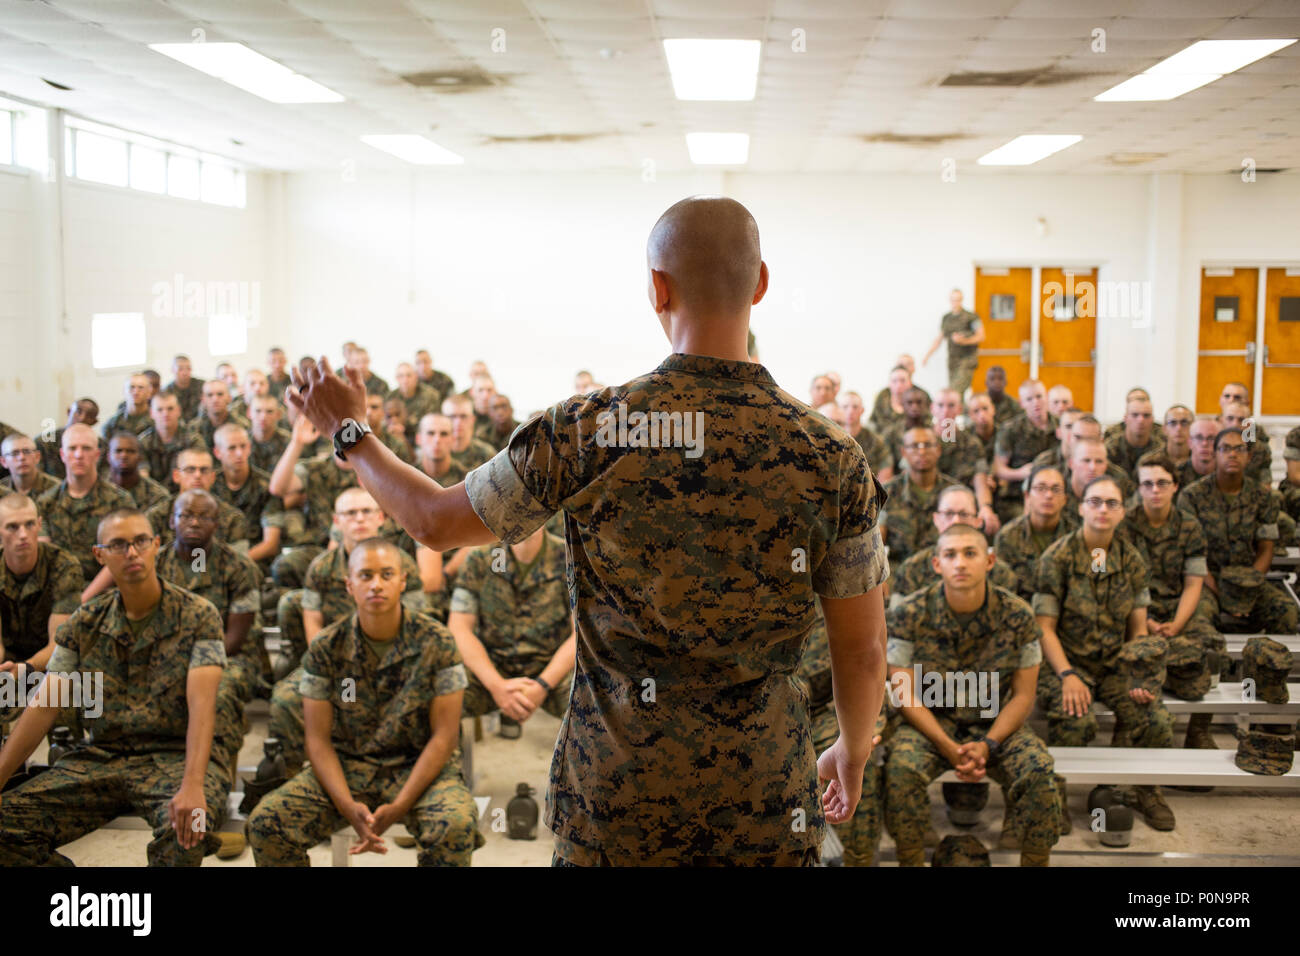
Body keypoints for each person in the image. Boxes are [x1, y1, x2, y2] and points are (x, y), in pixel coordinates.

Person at [288, 195, 889, 867]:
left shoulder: (588, 430)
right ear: (761, 283)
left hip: (616, 793)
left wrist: (351, 433)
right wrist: (853, 747)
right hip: (764, 792)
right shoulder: (830, 454)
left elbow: (433, 521)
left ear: (657, 289)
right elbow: (861, 651)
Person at [0, 508, 228, 866]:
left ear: (156, 545)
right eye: (118, 545)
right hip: (104, 757)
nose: (132, 553)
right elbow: (45, 704)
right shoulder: (84, 622)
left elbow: (203, 706)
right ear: (99, 555)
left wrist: (193, 786)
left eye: (140, 542)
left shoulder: (198, 615)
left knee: (189, 827)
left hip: (177, 757)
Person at [248, 538, 479, 866]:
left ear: (403, 581)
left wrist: (400, 805)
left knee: (455, 825)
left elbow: (444, 737)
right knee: (266, 824)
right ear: (349, 585)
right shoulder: (326, 647)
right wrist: (345, 804)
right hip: (347, 766)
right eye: (366, 576)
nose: (377, 585)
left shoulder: (437, 641)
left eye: (387, 575)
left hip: (417, 768)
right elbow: (316, 739)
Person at [885, 523, 1060, 866]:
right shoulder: (909, 613)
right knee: (901, 768)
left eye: (970, 553)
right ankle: (911, 859)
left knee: (1039, 768)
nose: (960, 563)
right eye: (950, 555)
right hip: (932, 724)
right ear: (937, 564)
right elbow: (904, 693)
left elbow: (1023, 696)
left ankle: (1036, 860)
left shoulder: (1018, 616)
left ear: (990, 560)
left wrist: (989, 743)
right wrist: (946, 745)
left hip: (994, 726)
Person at [1033, 476, 1175, 831]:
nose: (1102, 509)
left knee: (1154, 718)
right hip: (1067, 661)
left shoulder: (1132, 560)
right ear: (1080, 507)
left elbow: (1138, 629)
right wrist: (1068, 676)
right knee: (1076, 719)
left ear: (1123, 512)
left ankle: (1144, 790)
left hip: (1115, 663)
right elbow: (1045, 629)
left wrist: (1138, 677)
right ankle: (1057, 796)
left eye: (1111, 503)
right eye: (1094, 501)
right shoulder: (1058, 557)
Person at [269, 488, 427, 771]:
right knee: (285, 699)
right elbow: (312, 619)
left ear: (381, 517)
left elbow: (415, 624)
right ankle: (287, 775)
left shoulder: (403, 565)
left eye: (366, 512)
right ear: (336, 522)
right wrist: (326, 665)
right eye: (350, 513)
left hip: (392, 664)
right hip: (336, 663)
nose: (359, 519)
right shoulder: (321, 567)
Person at [1121, 452, 1221, 747]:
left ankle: (1199, 731)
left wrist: (1176, 624)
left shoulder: (1189, 527)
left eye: (1162, 483)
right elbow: (1119, 585)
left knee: (1213, 647)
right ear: (1138, 488)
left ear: (1175, 486)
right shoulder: (1124, 526)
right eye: (1148, 483)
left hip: (1178, 606)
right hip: (1136, 610)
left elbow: (1193, 584)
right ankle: (1129, 730)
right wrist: (1146, 621)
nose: (1155, 490)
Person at [448, 525, 576, 735]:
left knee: (598, 708)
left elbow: (579, 635)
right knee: (437, 698)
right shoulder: (480, 558)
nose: (529, 516)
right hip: (491, 666)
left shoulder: (569, 558)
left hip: (551, 667)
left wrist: (543, 685)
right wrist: (497, 686)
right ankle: (447, 765)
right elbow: (459, 627)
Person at [1177, 428, 1297, 634]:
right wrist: (1222, 594)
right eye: (1225, 448)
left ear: (1249, 456)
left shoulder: (1263, 497)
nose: (1232, 454)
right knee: (1198, 621)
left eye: (1239, 449)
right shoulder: (1191, 496)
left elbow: (1266, 549)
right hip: (1206, 581)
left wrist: (1245, 590)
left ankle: (1265, 663)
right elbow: (1192, 555)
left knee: (1287, 612)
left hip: (1249, 579)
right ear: (1215, 454)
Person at [0, 494, 84, 722]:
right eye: (12, 527)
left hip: (52, 665)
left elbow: (59, 646)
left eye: (29, 524)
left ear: (39, 524)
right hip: (7, 662)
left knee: (68, 687)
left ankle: (64, 750)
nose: (23, 534)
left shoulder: (64, 565)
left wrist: (25, 668)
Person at [36, 423, 133, 593]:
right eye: (72, 448)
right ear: (62, 455)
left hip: (106, 594)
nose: (79, 455)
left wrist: (82, 601)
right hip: (57, 591)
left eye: (86, 448)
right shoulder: (46, 502)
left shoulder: (119, 501)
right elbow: (43, 556)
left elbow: (122, 557)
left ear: (97, 455)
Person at [889, 484, 1016, 603]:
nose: (956, 521)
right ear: (936, 519)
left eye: (964, 514)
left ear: (978, 521)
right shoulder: (911, 570)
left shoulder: (1001, 574)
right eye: (948, 514)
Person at [144, 447, 250, 551]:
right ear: (176, 476)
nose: (197, 475)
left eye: (204, 470)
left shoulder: (232, 518)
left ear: (213, 477)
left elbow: (237, 563)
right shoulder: (156, 516)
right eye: (190, 470)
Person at [881, 426, 959, 566]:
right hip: (899, 571)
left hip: (944, 569)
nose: (922, 451)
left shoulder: (955, 493)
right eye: (914, 446)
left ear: (938, 450)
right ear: (903, 452)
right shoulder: (886, 493)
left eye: (928, 445)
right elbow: (877, 544)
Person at [994, 465, 1070, 603]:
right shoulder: (1007, 536)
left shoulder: (1075, 536)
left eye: (1056, 490)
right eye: (1041, 488)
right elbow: (1001, 591)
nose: (1048, 495)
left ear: (1065, 499)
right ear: (1027, 496)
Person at [211, 423, 283, 566]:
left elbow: (271, 544)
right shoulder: (210, 486)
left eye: (243, 447)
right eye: (232, 448)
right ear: (218, 453)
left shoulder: (267, 486)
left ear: (249, 448)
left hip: (253, 560)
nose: (239, 453)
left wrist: (233, 564)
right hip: (216, 558)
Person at [932, 388, 996, 532]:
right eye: (940, 405)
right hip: (931, 505)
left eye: (951, 405)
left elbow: (980, 479)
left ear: (960, 409)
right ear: (932, 408)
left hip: (962, 505)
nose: (945, 411)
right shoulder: (921, 440)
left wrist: (985, 507)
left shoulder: (971, 443)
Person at [993, 379, 1056, 523]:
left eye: (1039, 396)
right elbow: (999, 468)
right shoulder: (1010, 429)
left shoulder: (1061, 426)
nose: (1036, 402)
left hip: (1054, 493)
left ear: (1046, 397)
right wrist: (1019, 473)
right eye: (1029, 399)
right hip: (1017, 496)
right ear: (1022, 404)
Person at [922, 288, 984, 396]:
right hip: (952, 361)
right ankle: (960, 412)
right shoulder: (947, 318)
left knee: (955, 392)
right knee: (956, 393)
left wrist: (964, 341)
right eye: (953, 300)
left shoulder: (971, 317)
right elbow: (939, 338)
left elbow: (981, 336)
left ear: (962, 300)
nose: (955, 302)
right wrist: (927, 355)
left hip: (966, 361)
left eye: (958, 299)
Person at [138, 392, 205, 491]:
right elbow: (143, 478)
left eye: (170, 409)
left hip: (186, 492)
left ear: (178, 411)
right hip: (153, 496)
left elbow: (197, 475)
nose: (165, 413)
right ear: (152, 413)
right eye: (160, 409)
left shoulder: (193, 440)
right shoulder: (143, 442)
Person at [1105, 394, 1164, 480]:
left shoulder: (1160, 450)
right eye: (1135, 415)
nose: (1141, 420)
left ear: (1152, 420)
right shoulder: (1110, 448)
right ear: (1125, 418)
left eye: (1146, 415)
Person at [106, 431, 170, 511]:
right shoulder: (97, 491)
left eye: (130, 451)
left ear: (140, 457)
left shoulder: (158, 497)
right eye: (118, 451)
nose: (124, 455)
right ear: (108, 457)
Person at [1219, 399, 1273, 488]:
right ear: (1221, 420)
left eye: (1241, 420)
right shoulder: (1210, 445)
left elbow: (1265, 486)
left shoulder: (1260, 450)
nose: (1235, 424)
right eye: (1230, 418)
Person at [442, 394, 496, 473]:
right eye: (452, 417)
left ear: (472, 420)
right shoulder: (433, 453)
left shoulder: (486, 454)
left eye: (463, 416)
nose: (458, 422)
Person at [195, 380, 250, 452]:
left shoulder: (242, 426)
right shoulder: (194, 428)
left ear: (229, 398)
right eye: (210, 395)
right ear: (203, 400)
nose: (215, 399)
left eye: (220, 394)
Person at [387, 362, 442, 432]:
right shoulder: (390, 397)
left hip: (423, 434)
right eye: (401, 376)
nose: (405, 380)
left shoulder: (431, 396)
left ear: (416, 377)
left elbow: (433, 422)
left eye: (409, 375)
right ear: (396, 378)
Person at [248, 394, 291, 475]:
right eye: (258, 411)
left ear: (278, 414)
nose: (263, 417)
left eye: (269, 411)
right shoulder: (240, 441)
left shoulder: (289, 442)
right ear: (249, 413)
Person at [101, 373, 154, 439]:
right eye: (131, 387)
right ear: (124, 391)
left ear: (149, 392)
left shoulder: (157, 420)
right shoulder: (113, 423)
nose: (136, 392)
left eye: (141, 387)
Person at [163, 354, 205, 422]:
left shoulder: (202, 386)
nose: (185, 372)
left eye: (188, 368)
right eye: (180, 369)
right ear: (173, 370)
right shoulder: (167, 391)